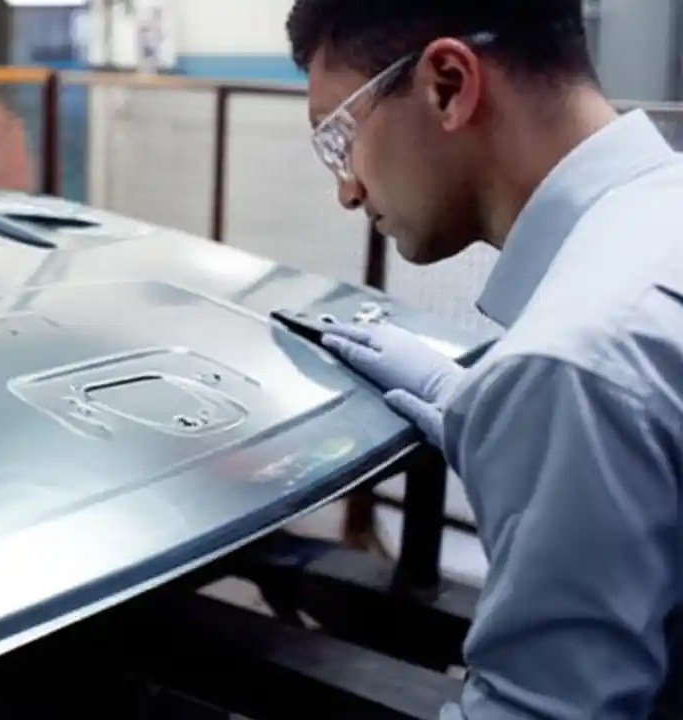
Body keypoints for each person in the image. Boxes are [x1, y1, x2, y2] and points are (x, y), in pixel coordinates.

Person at [283, 1, 682, 718]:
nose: (347, 191)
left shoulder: (577, 360)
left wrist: (542, 396)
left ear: (446, 83)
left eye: (338, 137)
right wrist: (471, 403)